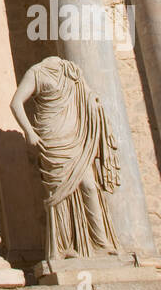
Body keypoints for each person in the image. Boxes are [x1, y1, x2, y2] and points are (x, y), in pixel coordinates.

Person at [11, 55, 119, 261]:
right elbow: (16, 102)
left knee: (88, 184)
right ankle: (65, 244)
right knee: (59, 190)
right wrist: (29, 131)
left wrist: (94, 103)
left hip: (74, 134)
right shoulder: (37, 72)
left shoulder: (72, 70)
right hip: (52, 135)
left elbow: (89, 96)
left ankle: (101, 241)